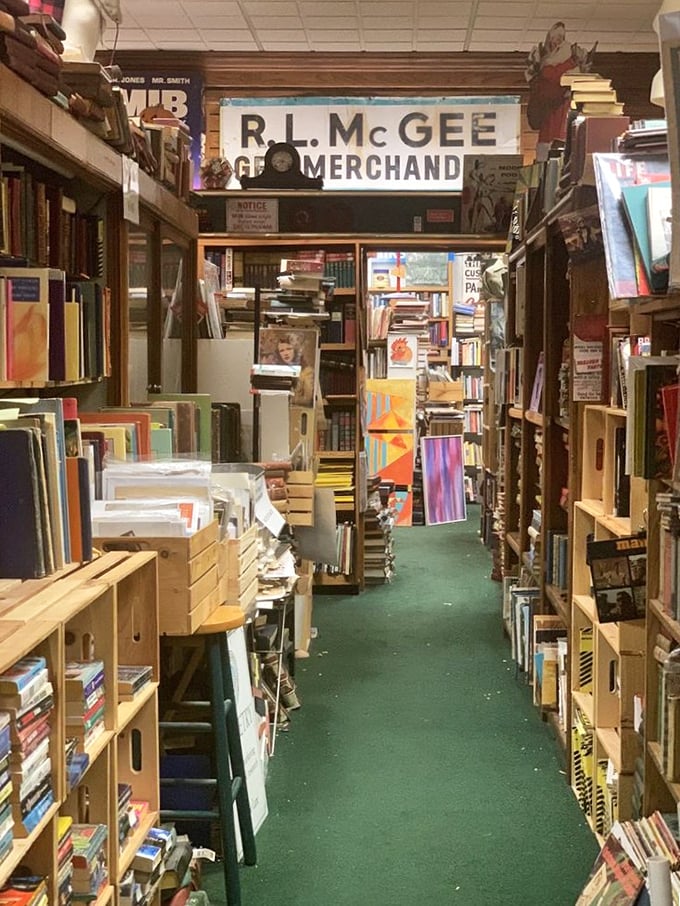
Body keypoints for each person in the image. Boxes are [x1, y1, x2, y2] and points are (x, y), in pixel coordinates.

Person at [271, 333, 315, 408]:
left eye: (289, 349)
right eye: (282, 351)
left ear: (295, 350)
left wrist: (288, 399)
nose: (286, 353)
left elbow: (307, 400)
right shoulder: (277, 370)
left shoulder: (307, 371)